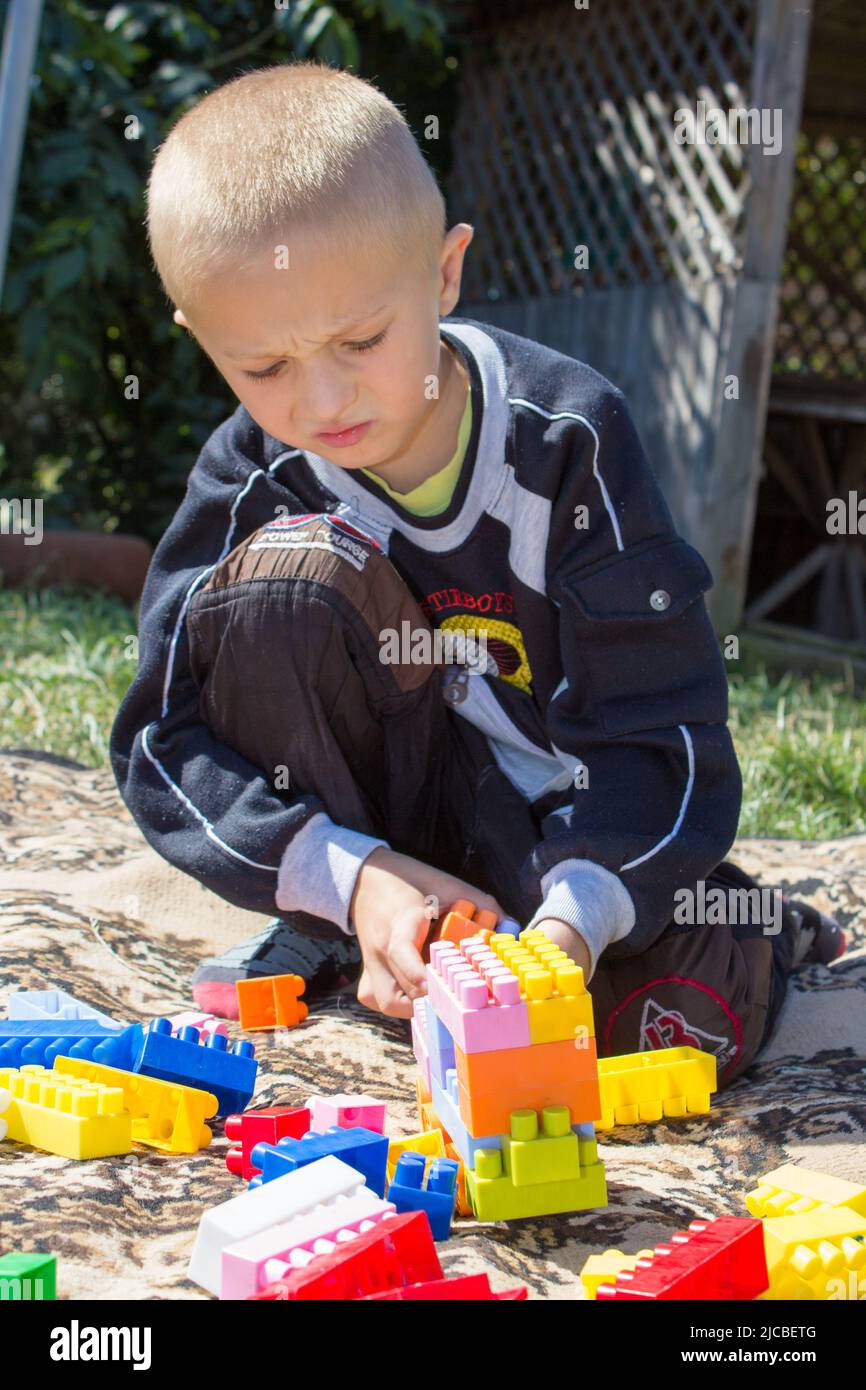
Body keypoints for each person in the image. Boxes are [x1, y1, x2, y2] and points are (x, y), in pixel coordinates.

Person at [110, 63, 844, 1087]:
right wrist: (353, 878)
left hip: (556, 832)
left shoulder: (564, 443)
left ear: (445, 275)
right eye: (262, 367)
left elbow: (660, 725)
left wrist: (569, 929)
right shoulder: (252, 473)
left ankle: (751, 928)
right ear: (200, 341)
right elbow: (161, 739)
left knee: (667, 1032)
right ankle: (342, 928)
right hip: (377, 828)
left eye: (361, 340)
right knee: (274, 586)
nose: (320, 398)